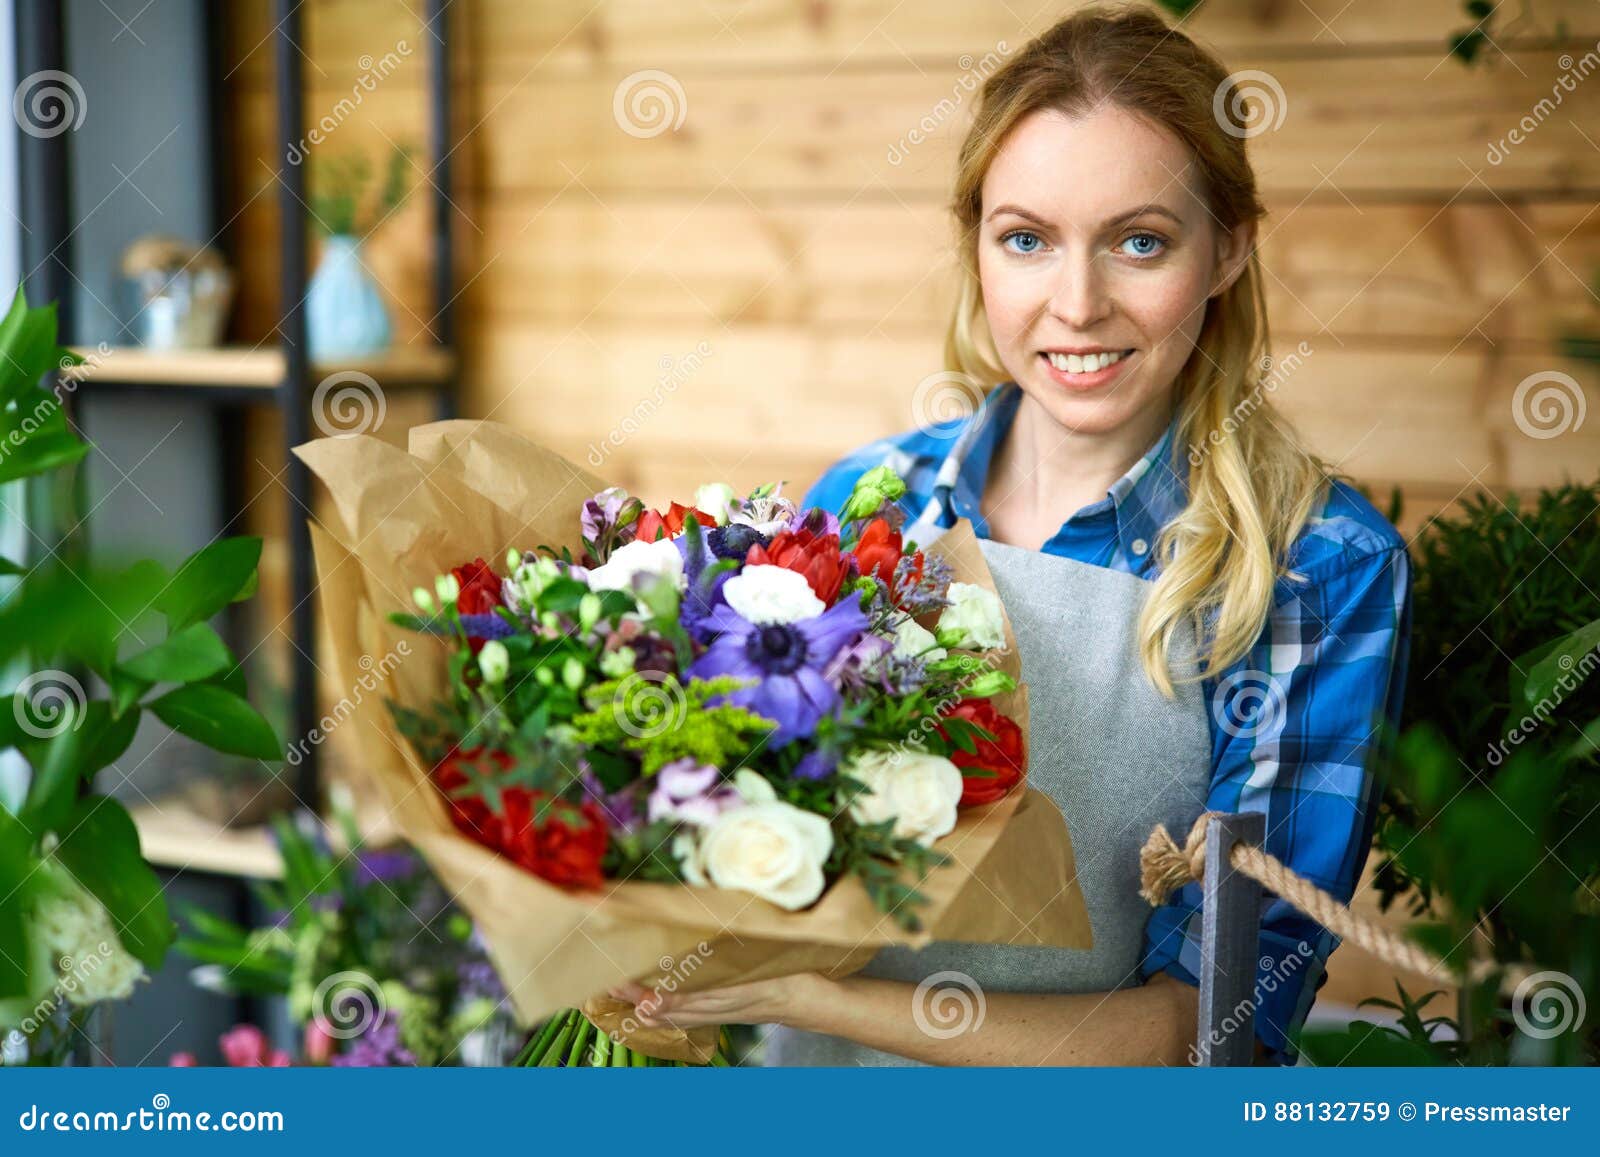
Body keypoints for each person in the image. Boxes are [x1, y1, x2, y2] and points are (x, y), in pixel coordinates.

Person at [609, 1, 1412, 1067]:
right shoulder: (870, 501)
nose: (1075, 304)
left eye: (1139, 241)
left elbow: (1206, 1031)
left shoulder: (1317, 566)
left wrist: (823, 999)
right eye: (1026, 239)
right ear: (976, 247)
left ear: (1226, 253)